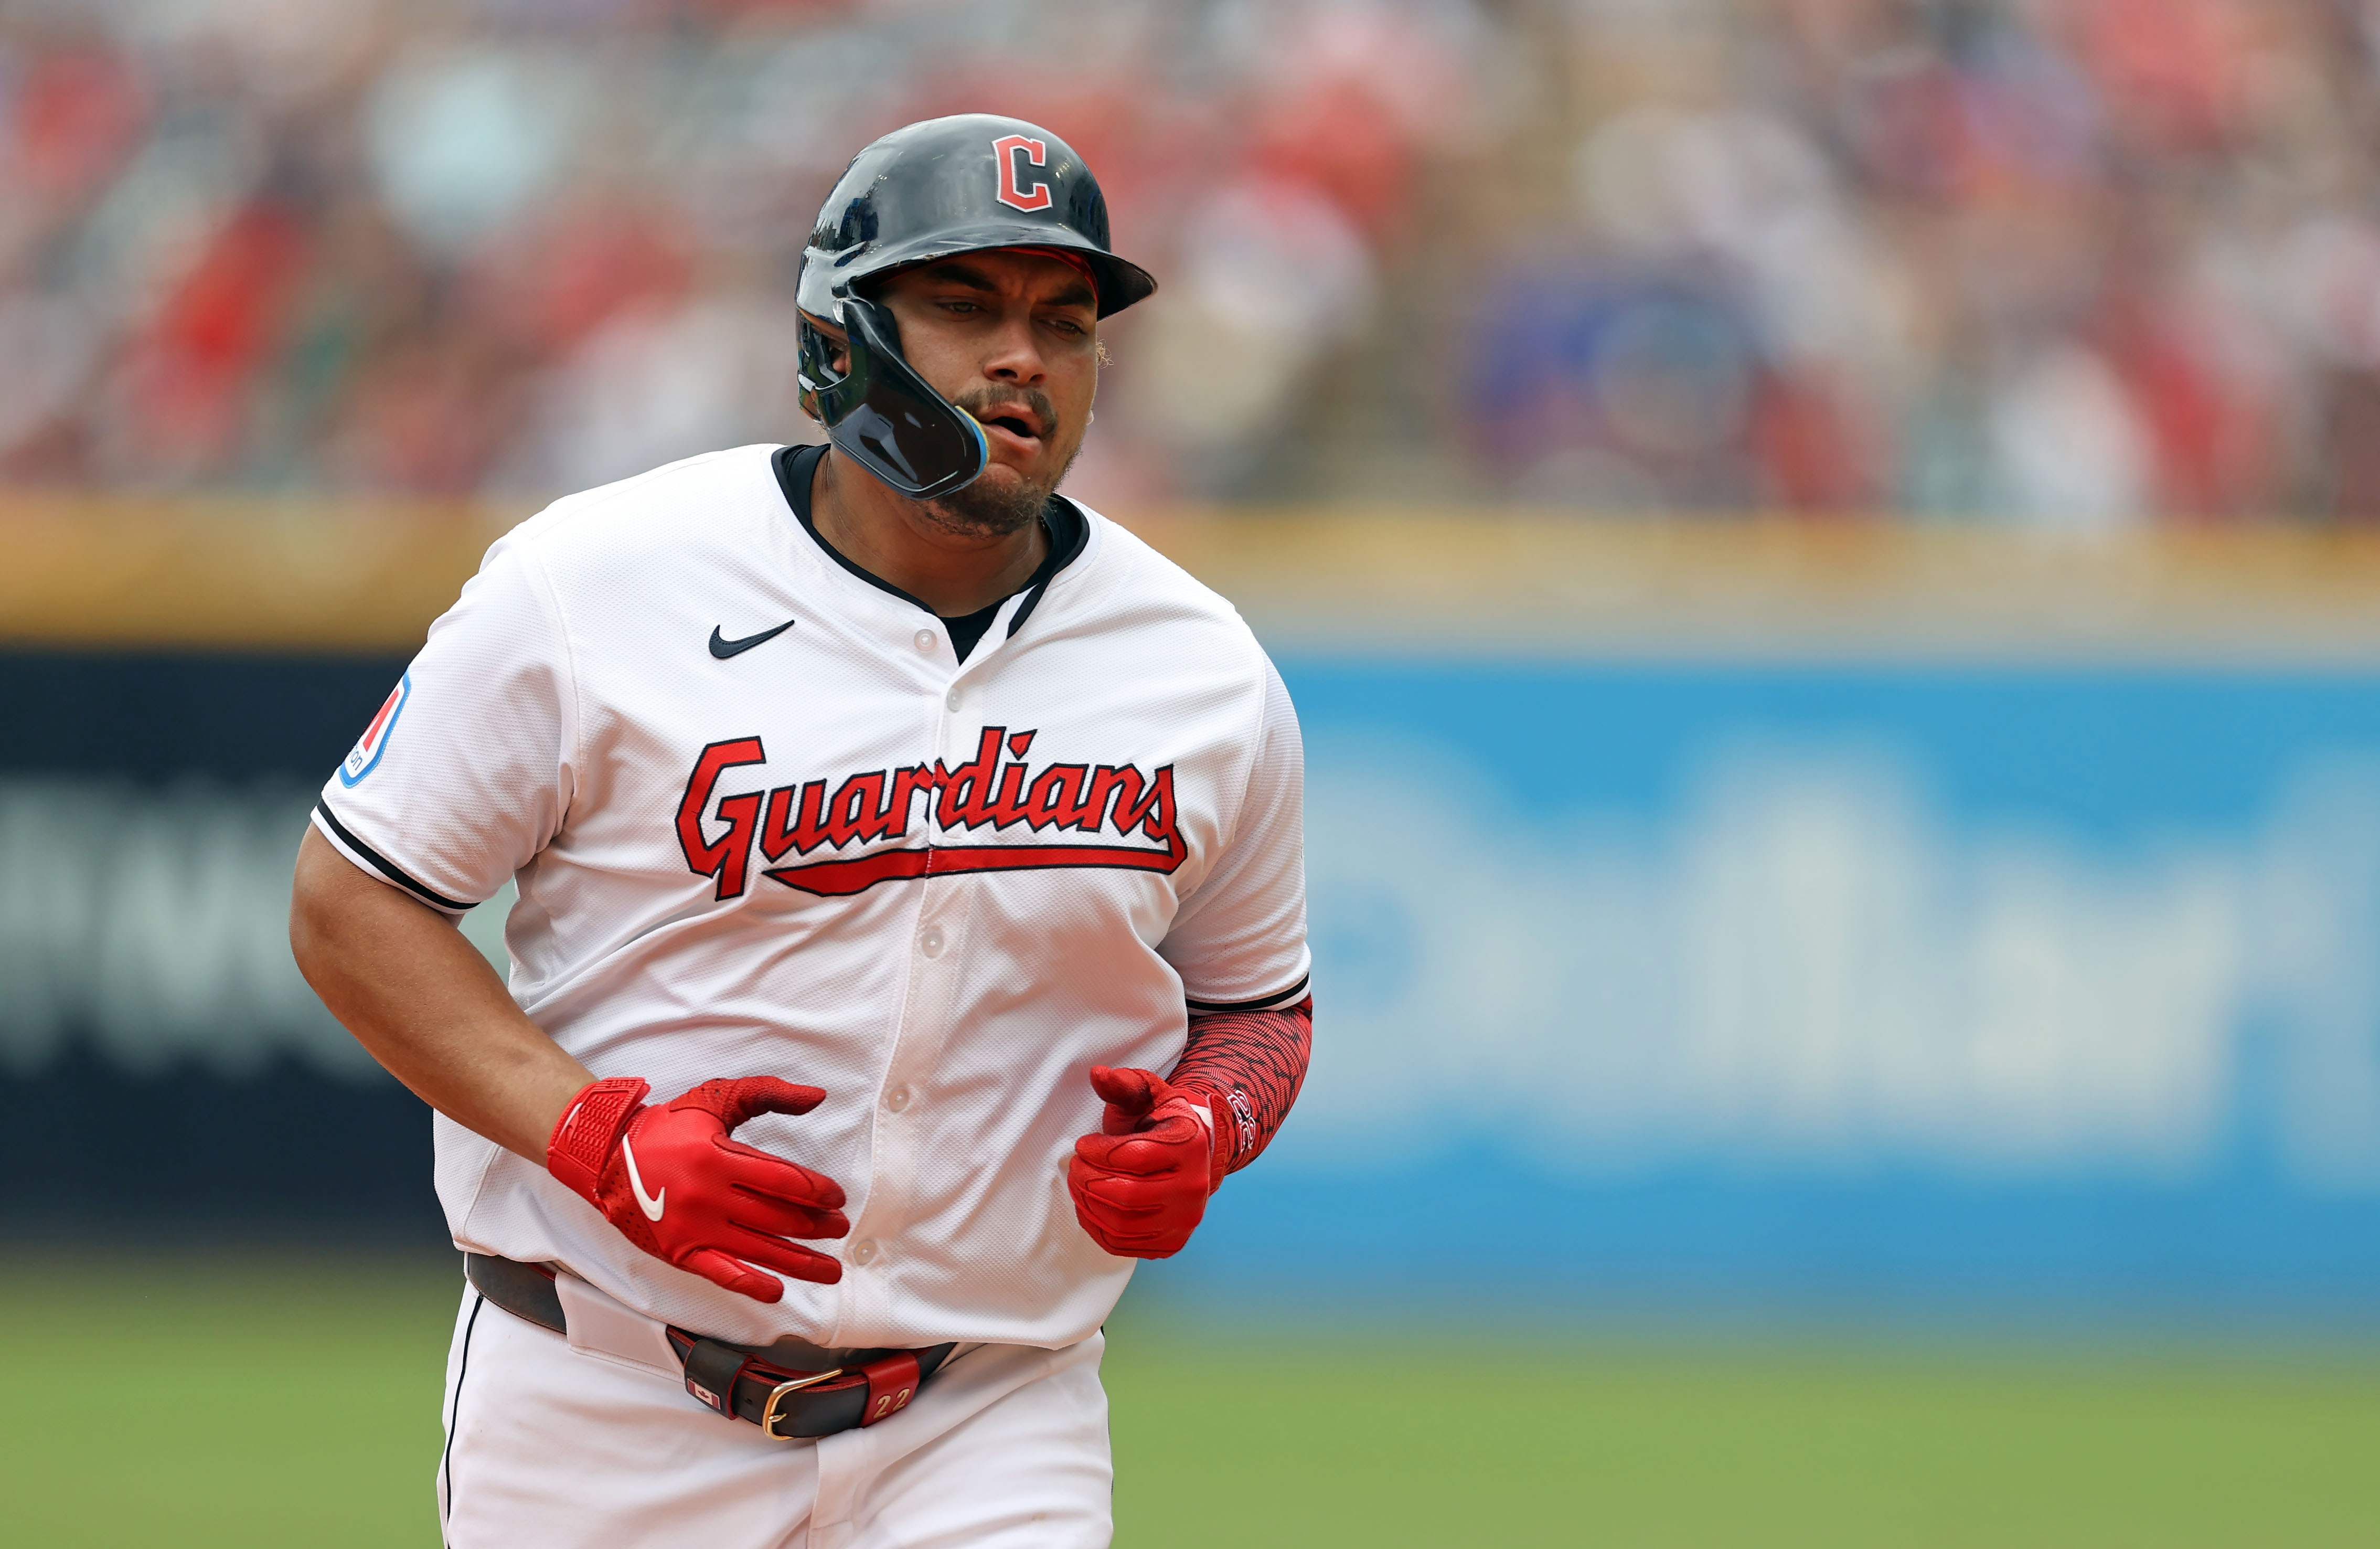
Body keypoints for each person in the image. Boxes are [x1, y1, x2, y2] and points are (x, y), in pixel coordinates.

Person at [289, 114, 1312, 1547]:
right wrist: (593, 1136)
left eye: (1064, 321)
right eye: (964, 305)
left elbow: (1260, 1009)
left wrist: (1211, 1122)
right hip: (605, 1396)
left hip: (988, 1418)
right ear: (841, 335)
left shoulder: (1200, 668)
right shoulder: (596, 583)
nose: (1023, 357)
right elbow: (351, 905)